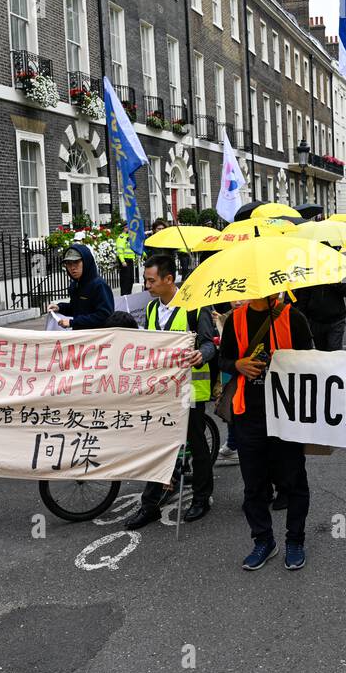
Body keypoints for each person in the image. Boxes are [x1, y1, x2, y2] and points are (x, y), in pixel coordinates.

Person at [122, 255, 218, 528]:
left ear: (168, 279)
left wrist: (202, 354)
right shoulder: (152, 309)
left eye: (151, 280)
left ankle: (201, 498)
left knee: (197, 446)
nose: (147, 284)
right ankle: (150, 504)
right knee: (159, 447)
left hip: (191, 390)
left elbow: (210, 343)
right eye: (146, 279)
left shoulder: (194, 308)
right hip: (162, 392)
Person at [221, 291, 314, 570]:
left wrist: (285, 361)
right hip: (248, 414)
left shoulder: (293, 318)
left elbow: (313, 363)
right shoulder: (235, 320)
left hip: (287, 414)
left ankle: (295, 540)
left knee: (294, 481)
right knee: (253, 485)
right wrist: (238, 365)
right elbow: (223, 360)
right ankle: (263, 540)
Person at [48, 244, 114, 329]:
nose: (72, 268)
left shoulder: (99, 285)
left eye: (76, 262)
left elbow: (105, 315)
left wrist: (73, 322)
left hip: (97, 337)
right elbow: (77, 308)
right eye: (68, 263)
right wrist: (59, 307)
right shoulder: (74, 285)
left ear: (86, 261)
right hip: (80, 336)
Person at [293, 273, 346, 352]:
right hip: (315, 322)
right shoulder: (309, 274)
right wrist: (303, 320)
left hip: (336, 321)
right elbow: (303, 299)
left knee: (334, 352)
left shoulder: (337, 271)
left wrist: (336, 283)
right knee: (321, 352)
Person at [114, 229, 138, 297]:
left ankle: (129, 296)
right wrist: (122, 261)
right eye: (128, 227)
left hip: (130, 260)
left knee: (130, 281)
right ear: (124, 228)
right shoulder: (122, 237)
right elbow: (120, 250)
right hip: (125, 261)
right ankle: (124, 298)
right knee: (125, 282)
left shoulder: (131, 236)